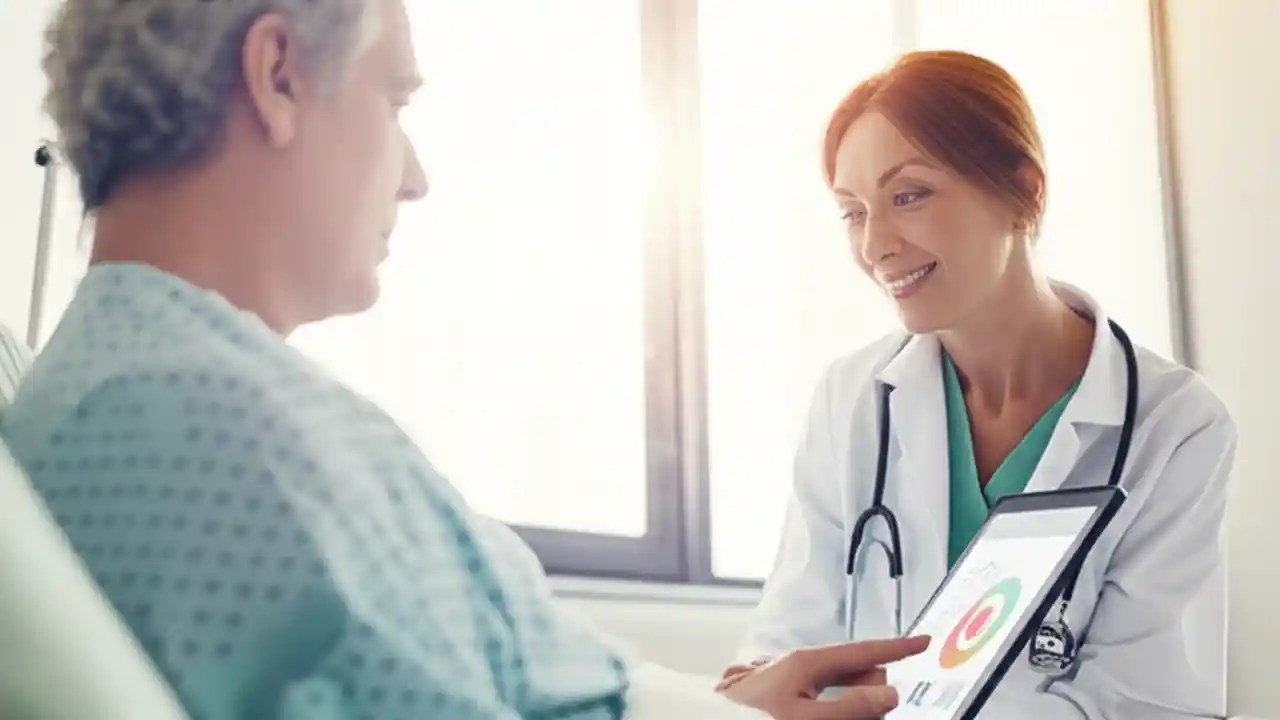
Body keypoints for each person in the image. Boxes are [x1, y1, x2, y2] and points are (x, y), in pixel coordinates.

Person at [0, 1, 928, 719]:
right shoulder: (195, 430)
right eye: (394, 99)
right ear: (276, 75)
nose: (415, 175)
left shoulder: (167, 389)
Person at [721, 50, 1237, 718]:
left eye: (908, 195)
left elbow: (1153, 702)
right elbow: (789, 643)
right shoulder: (851, 400)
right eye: (853, 212)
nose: (875, 245)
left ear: (1025, 190)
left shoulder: (1174, 425)